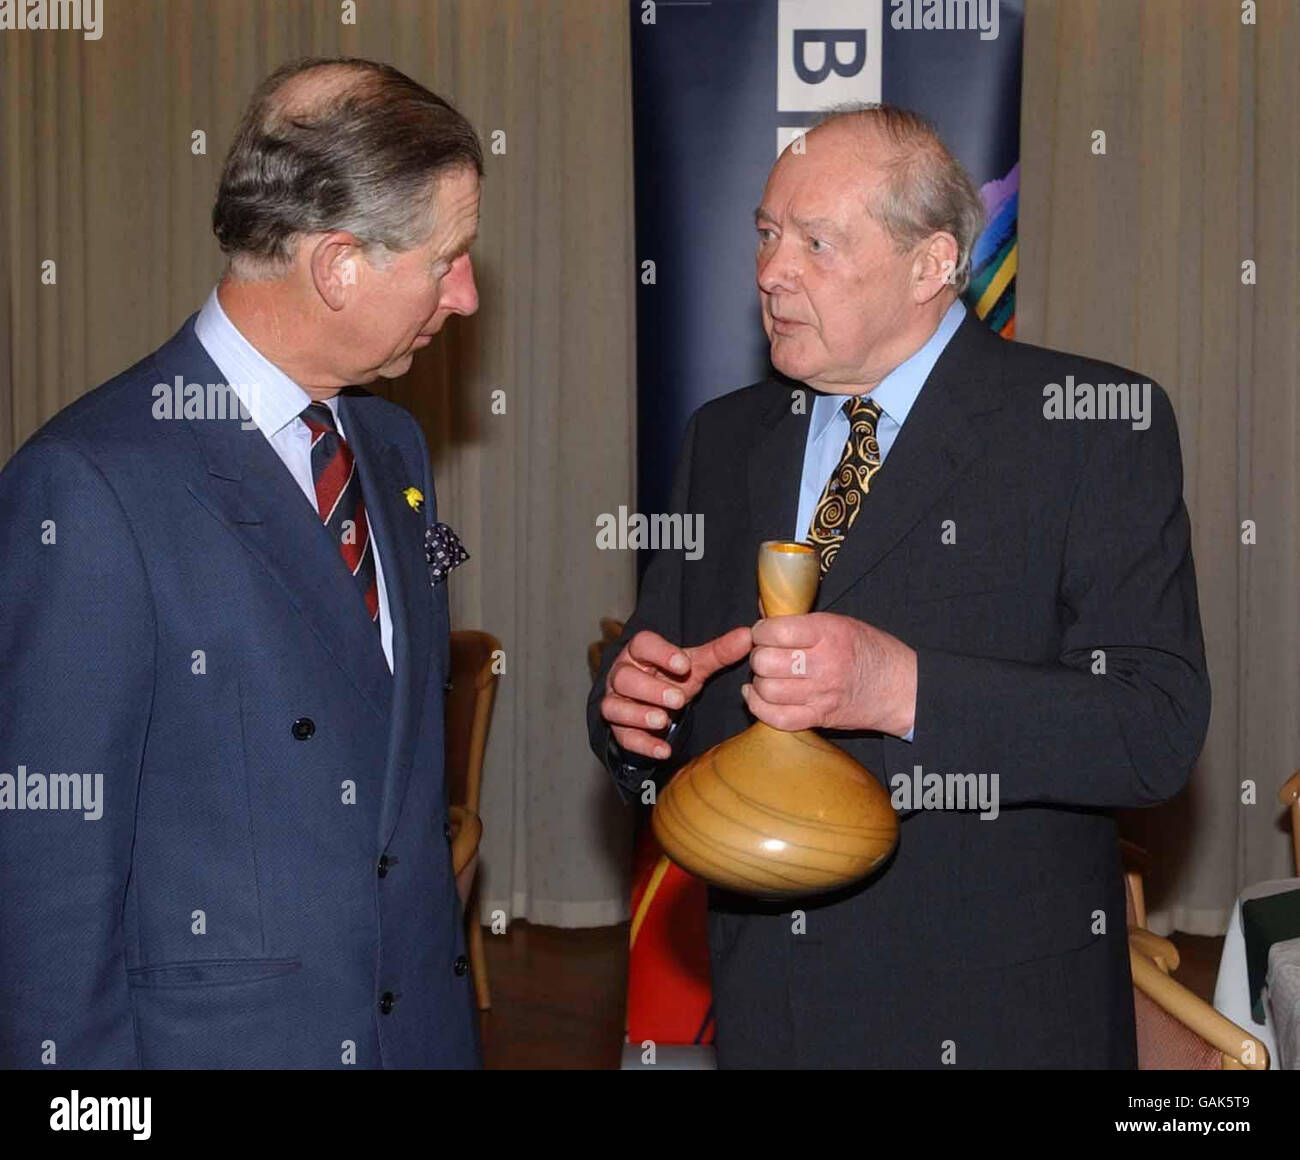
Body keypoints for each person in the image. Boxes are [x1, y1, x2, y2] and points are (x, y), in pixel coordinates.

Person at [589, 104, 1211, 1068]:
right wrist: (631, 714)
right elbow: (667, 657)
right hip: (768, 1007)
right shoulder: (726, 436)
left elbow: (1154, 730)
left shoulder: (1090, 429)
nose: (769, 272)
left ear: (931, 266)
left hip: (992, 1011)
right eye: (765, 233)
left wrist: (903, 690)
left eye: (816, 242)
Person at [0, 56, 482, 1068]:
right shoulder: (89, 485)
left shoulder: (389, 449)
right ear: (339, 264)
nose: (468, 295)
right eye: (447, 260)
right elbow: (47, 876)